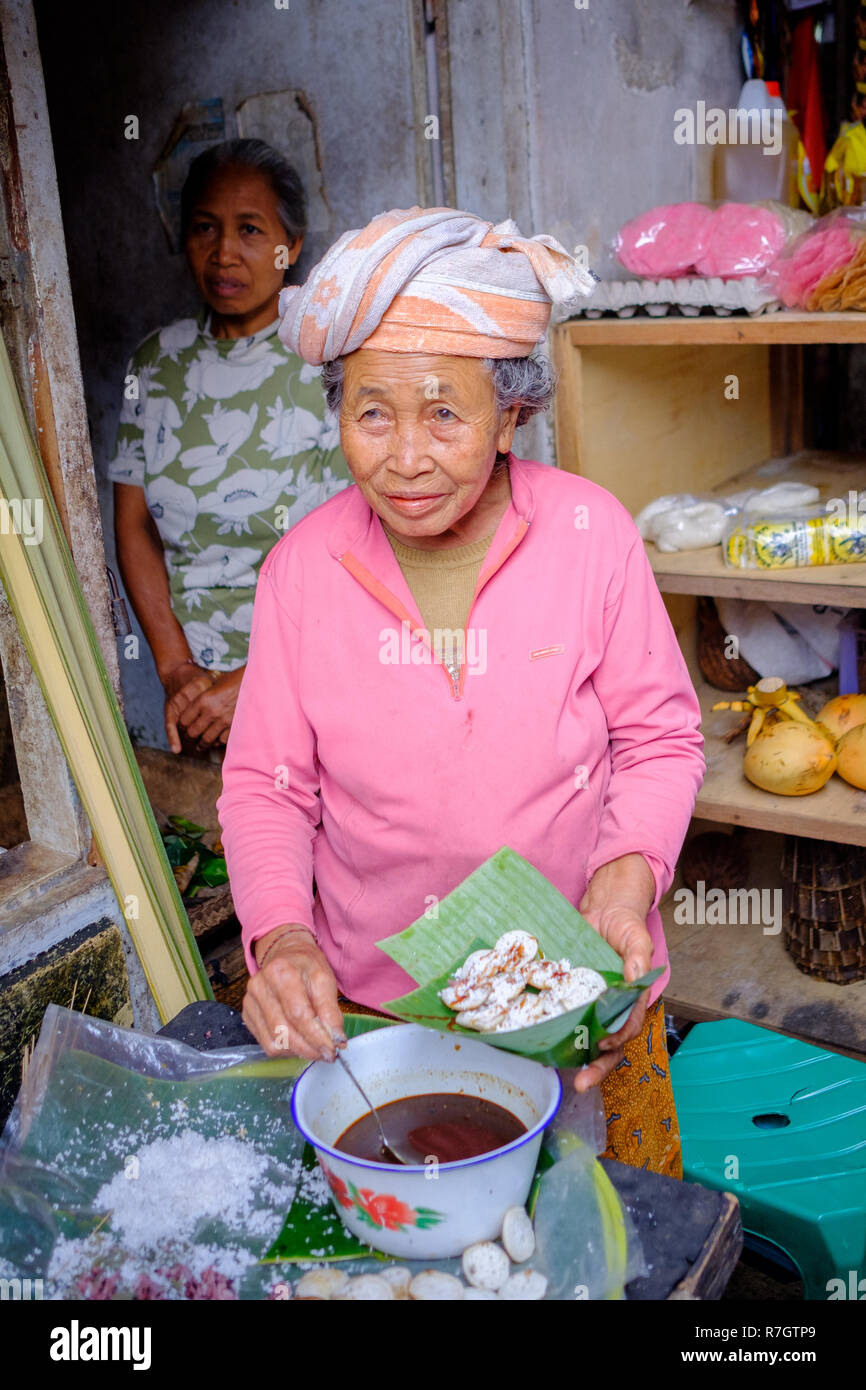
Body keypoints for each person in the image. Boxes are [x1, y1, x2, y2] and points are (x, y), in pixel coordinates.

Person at [216, 206, 706, 1177]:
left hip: (574, 989)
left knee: (599, 1244)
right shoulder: (301, 571)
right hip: (378, 1010)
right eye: (369, 412)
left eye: (443, 411)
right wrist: (283, 939)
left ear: (509, 409)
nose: (403, 456)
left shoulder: (588, 534)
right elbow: (267, 786)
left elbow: (658, 739)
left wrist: (625, 876)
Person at [109, 139, 351, 757]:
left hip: (320, 680)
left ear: (289, 247)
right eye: (204, 228)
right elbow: (133, 524)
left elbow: (359, 551)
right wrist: (176, 672)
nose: (224, 253)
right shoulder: (156, 362)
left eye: (250, 229)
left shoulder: (328, 363)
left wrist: (255, 683)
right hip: (197, 701)